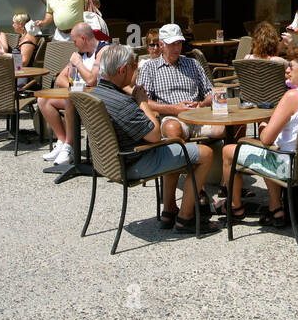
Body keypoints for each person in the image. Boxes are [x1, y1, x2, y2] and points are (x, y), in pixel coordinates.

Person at [92, 44, 215, 233]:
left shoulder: (97, 93)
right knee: (204, 154)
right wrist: (142, 102)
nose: (135, 73)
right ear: (122, 70)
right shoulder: (122, 104)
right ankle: (185, 219)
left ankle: (169, 211)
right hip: (135, 161)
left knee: (174, 145)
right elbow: (155, 134)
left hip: (111, 162)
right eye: (133, 68)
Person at [217, 44, 298, 227]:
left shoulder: (293, 96)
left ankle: (234, 207)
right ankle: (275, 207)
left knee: (230, 151)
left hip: (289, 165)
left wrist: (264, 127)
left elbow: (266, 139)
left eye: (291, 66)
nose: (286, 71)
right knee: (273, 147)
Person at [136, 24, 218, 145]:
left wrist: (202, 103)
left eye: (179, 43)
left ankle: (225, 159)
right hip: (171, 117)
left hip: (197, 117)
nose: (176, 48)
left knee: (232, 125)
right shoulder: (150, 68)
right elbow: (143, 101)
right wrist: (174, 109)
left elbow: (211, 92)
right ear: (161, 44)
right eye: (172, 44)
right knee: (172, 128)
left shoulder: (193, 64)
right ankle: (186, 161)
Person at [39, 22, 105, 168]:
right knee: (43, 100)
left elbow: (92, 80)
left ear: (83, 38)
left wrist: (79, 64)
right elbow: (60, 79)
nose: (74, 45)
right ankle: (62, 141)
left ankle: (70, 146)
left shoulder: (102, 51)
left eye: (75, 41)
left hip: (98, 99)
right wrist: (73, 85)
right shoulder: (80, 54)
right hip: (79, 97)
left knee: (71, 100)